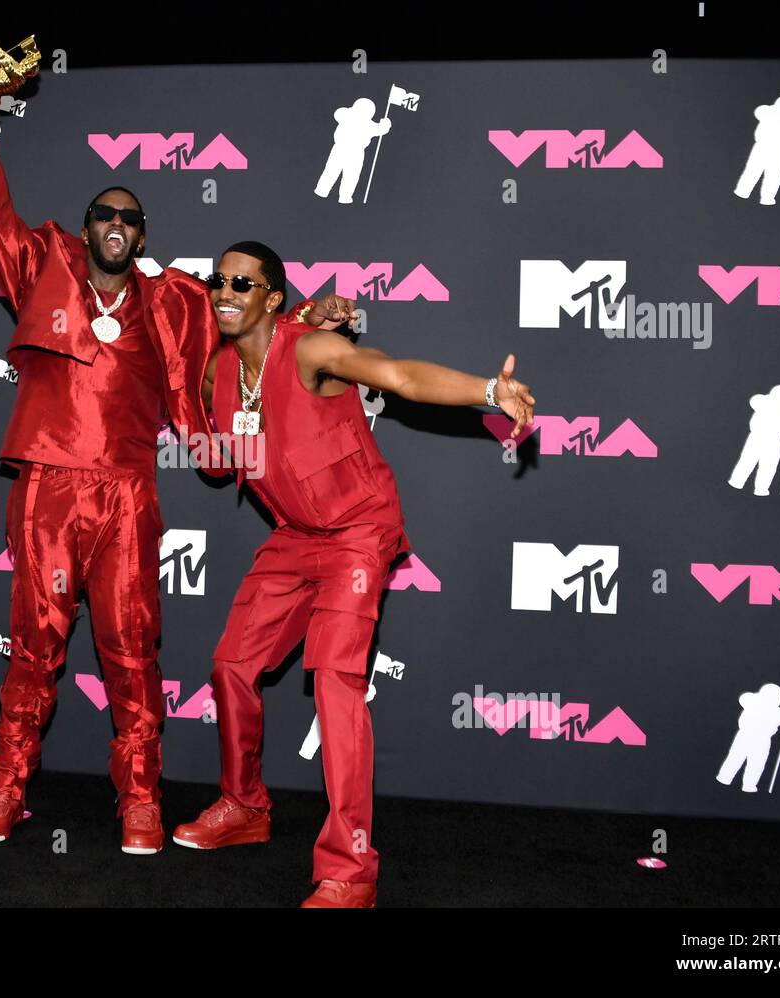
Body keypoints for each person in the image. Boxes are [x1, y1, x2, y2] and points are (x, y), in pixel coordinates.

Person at [173, 242, 535, 906]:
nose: (225, 291)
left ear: (271, 298)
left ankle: (350, 869)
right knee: (231, 665)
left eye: (243, 283)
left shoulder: (310, 348)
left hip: (357, 531)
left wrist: (488, 391)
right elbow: (221, 462)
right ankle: (245, 807)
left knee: (336, 681)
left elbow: (396, 375)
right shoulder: (216, 372)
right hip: (293, 535)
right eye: (217, 280)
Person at [0, 71, 224, 854]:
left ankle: (140, 803)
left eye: (131, 219)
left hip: (129, 495)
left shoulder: (171, 303)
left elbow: (242, 310)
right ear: (89, 225)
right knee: (33, 647)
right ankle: (3, 793)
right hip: (47, 488)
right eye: (105, 214)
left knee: (134, 650)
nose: (117, 225)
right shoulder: (42, 269)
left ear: (143, 235)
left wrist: (310, 316)